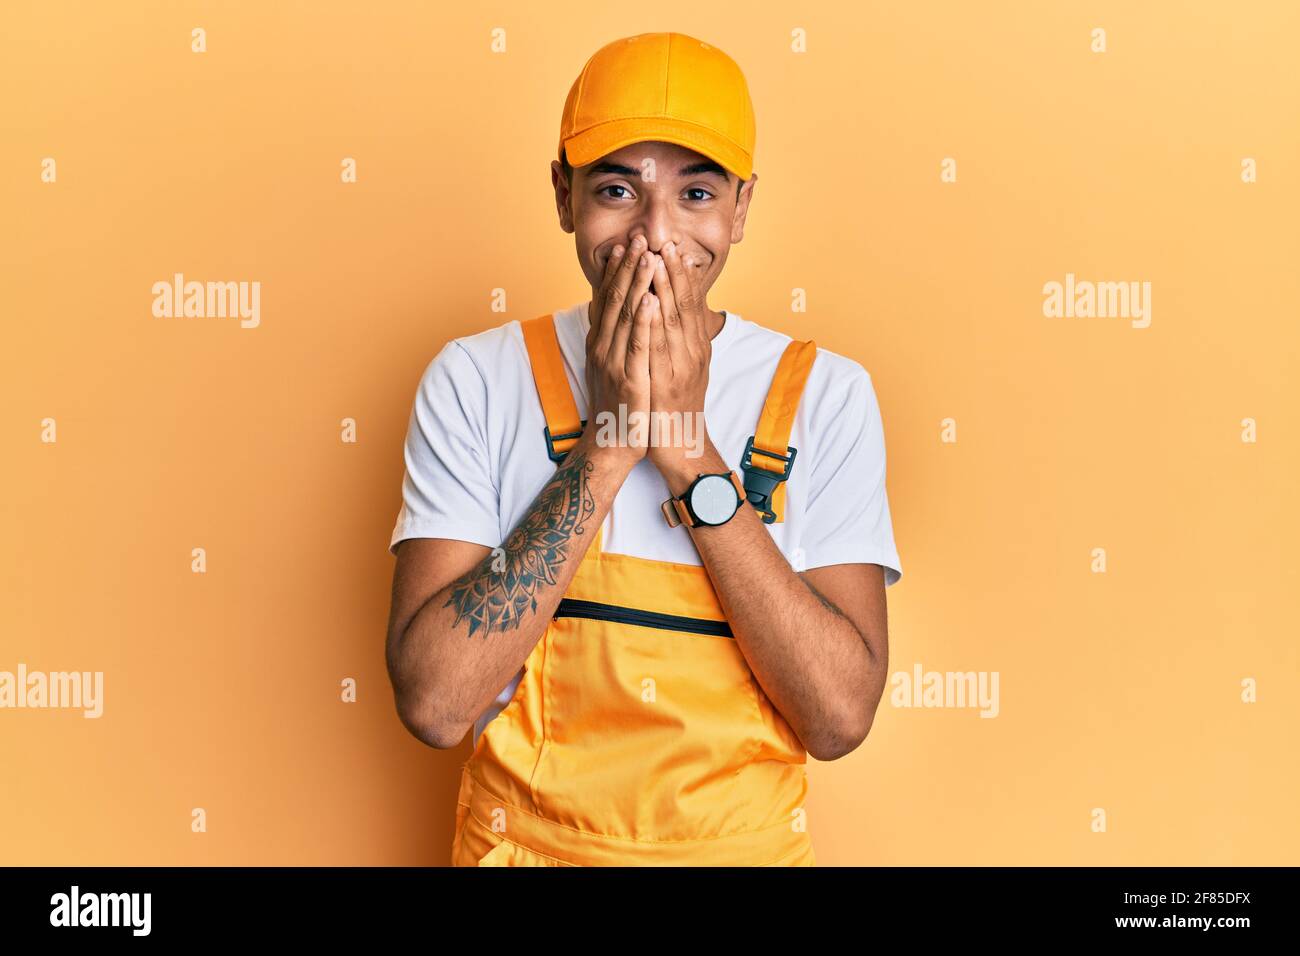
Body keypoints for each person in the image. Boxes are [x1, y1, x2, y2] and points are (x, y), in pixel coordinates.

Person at [385, 31, 902, 866]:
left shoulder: (823, 396)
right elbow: (436, 705)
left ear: (742, 206)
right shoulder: (476, 380)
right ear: (563, 196)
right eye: (618, 189)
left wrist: (690, 452)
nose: (656, 237)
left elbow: (840, 719)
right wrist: (610, 442)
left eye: (696, 194)